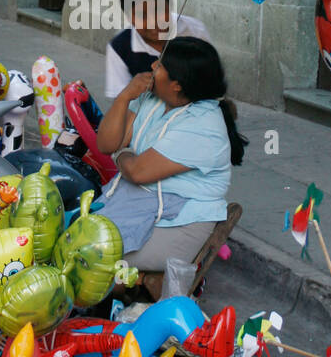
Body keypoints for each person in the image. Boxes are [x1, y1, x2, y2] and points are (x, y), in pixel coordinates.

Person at [95, 37, 247, 285]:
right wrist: (124, 97)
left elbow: (136, 172)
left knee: (93, 258)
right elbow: (107, 144)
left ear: (176, 84)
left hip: (178, 225)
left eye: (161, 65)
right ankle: (128, 286)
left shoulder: (203, 125)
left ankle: (135, 288)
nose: (153, 67)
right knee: (79, 241)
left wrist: (123, 154)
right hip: (139, 205)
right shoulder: (152, 99)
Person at [105, 0, 212, 100]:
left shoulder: (195, 31)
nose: (153, 22)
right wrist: (129, 92)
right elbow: (121, 105)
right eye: (142, 15)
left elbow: (212, 83)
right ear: (128, 17)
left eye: (158, 10)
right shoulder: (119, 48)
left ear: (170, 4)